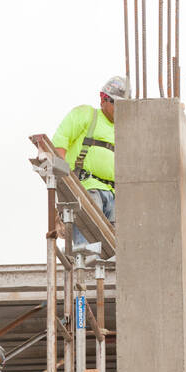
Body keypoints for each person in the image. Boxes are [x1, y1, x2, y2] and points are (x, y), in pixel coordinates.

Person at [51, 75, 127, 246]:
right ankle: (83, 268)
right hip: (88, 190)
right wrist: (66, 183)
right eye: (116, 103)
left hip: (116, 195)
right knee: (87, 248)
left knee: (116, 251)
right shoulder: (87, 115)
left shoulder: (125, 130)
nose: (120, 109)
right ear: (103, 99)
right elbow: (60, 142)